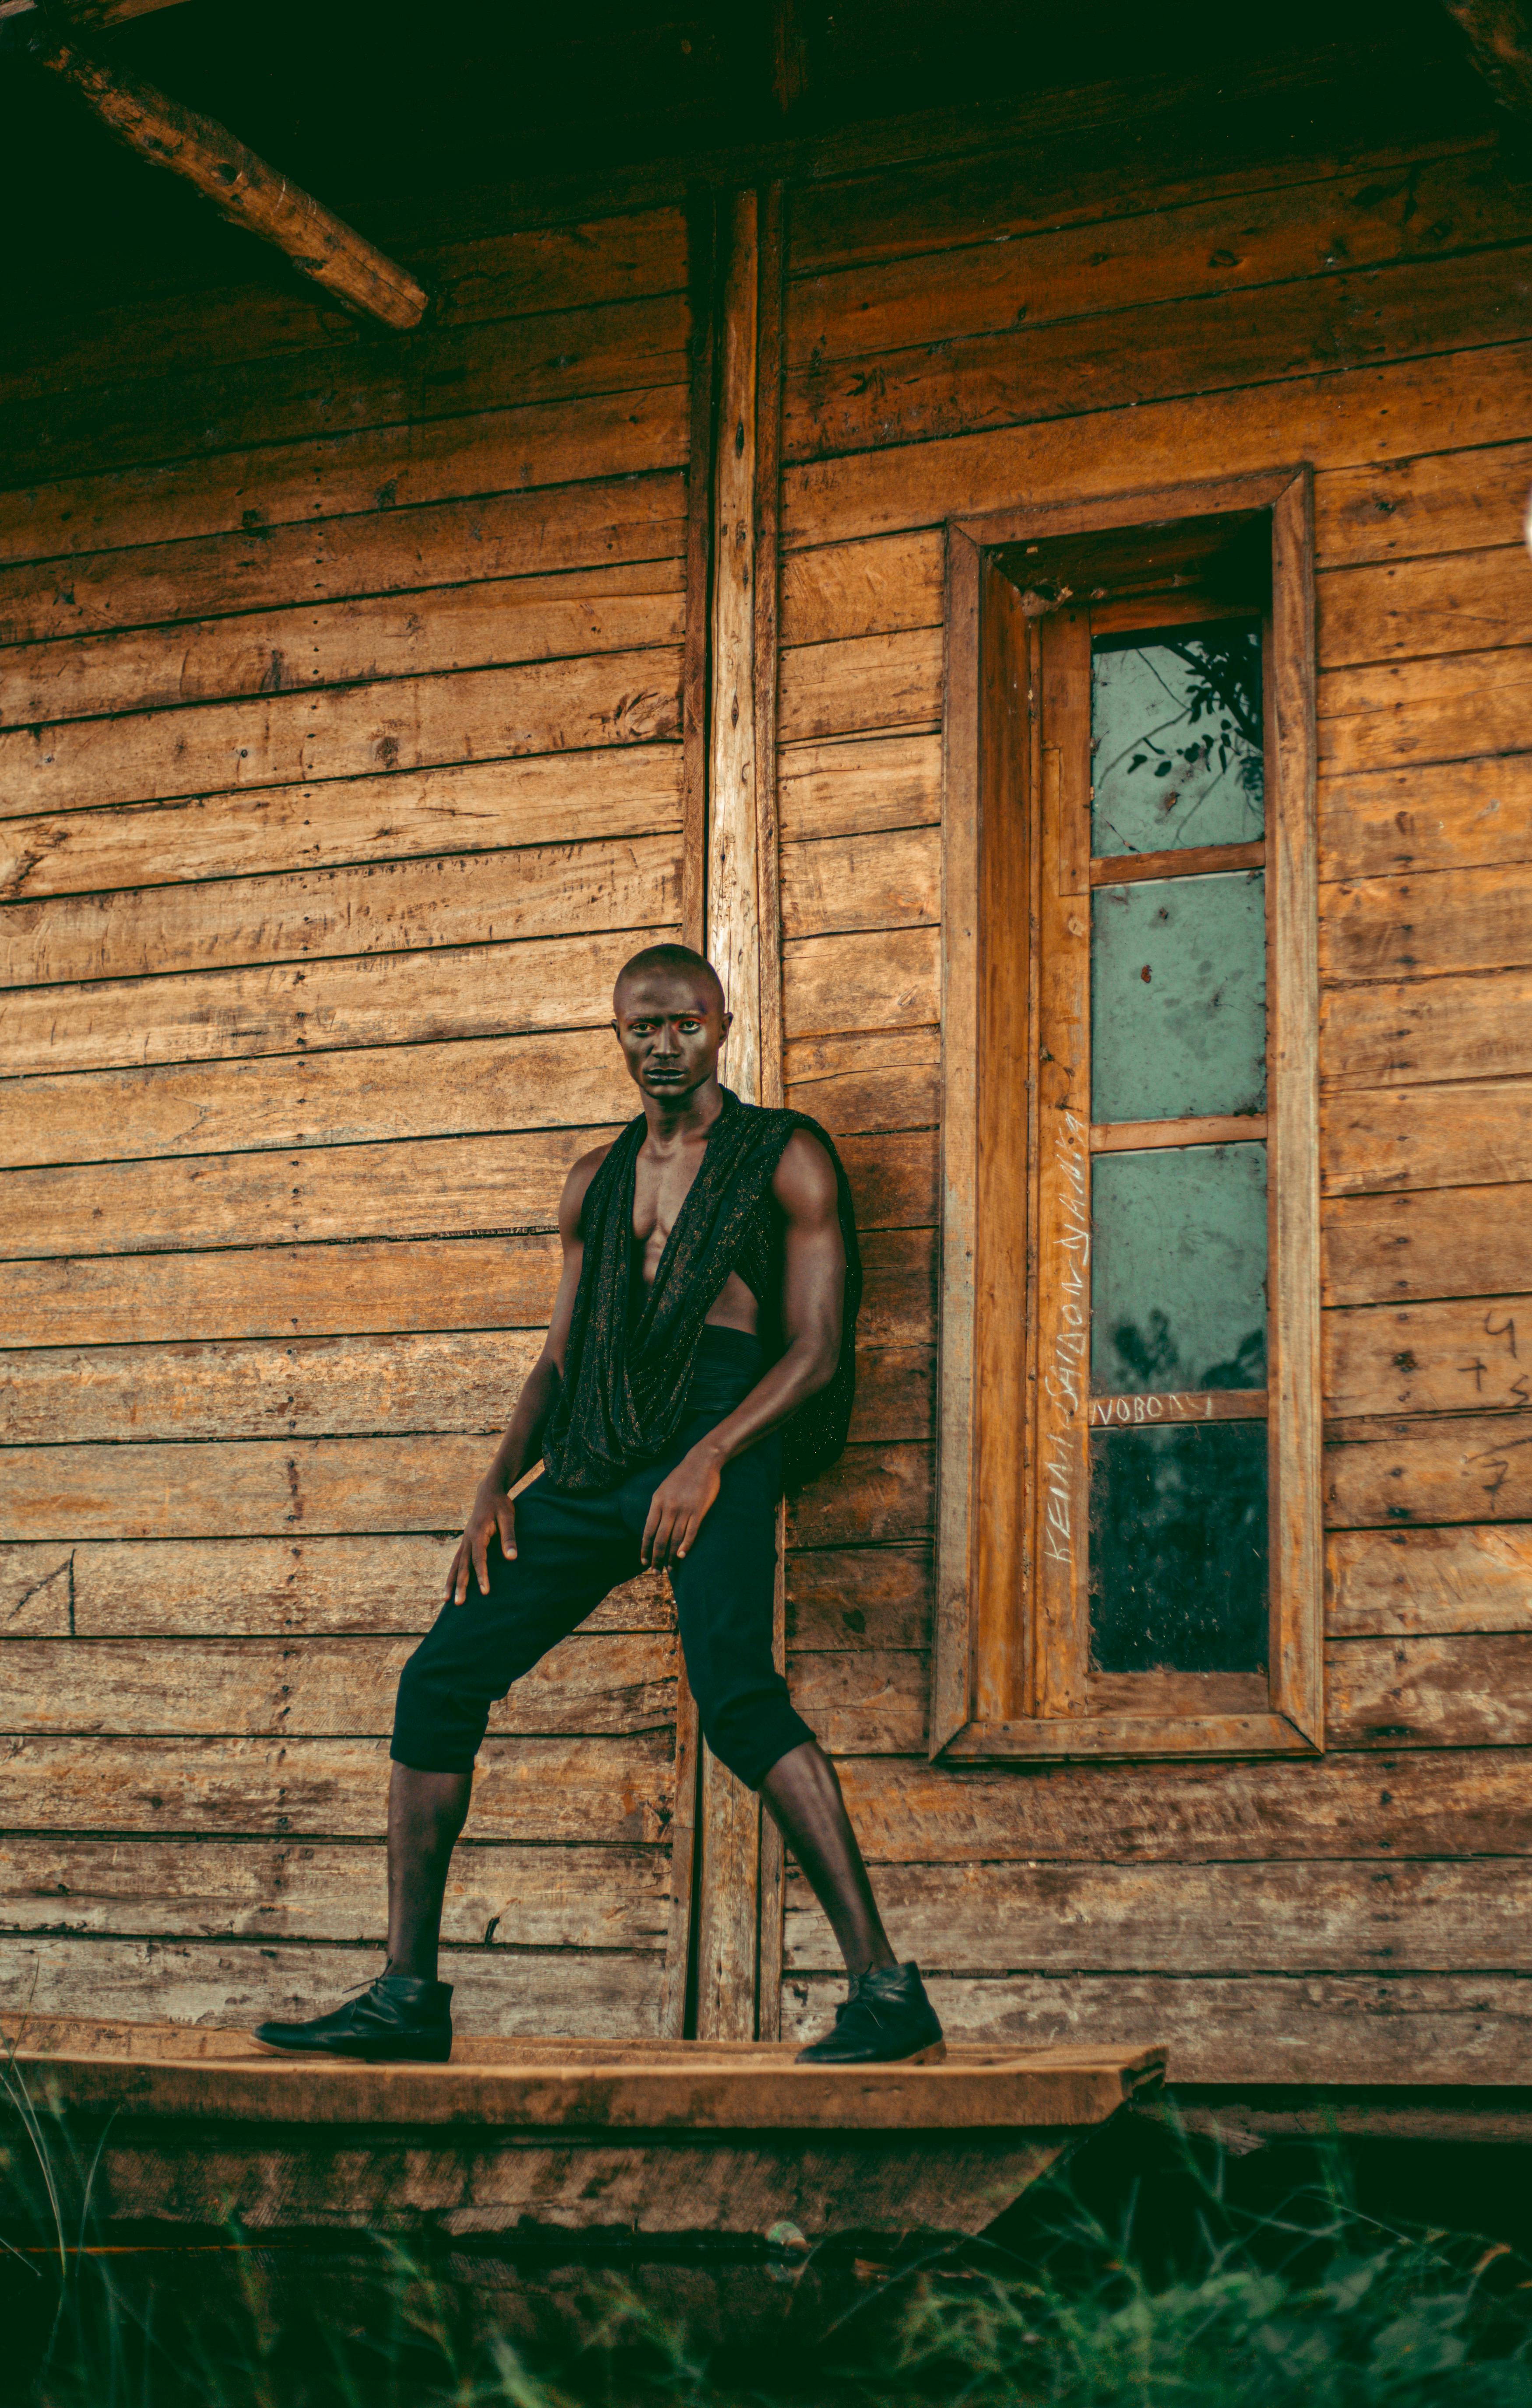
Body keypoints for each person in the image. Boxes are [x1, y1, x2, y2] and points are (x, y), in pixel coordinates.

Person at [254, 943, 944, 2069]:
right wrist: (495, 1483)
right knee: (440, 1676)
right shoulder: (597, 1179)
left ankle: (886, 1991)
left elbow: (815, 1352)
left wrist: (711, 1458)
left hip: (726, 1429)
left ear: (721, 1026)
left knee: (739, 1703)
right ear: (616, 1034)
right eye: (642, 1028)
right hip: (601, 1449)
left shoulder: (786, 1156)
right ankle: (406, 1996)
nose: (663, 1046)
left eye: (685, 1025)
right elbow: (564, 1356)